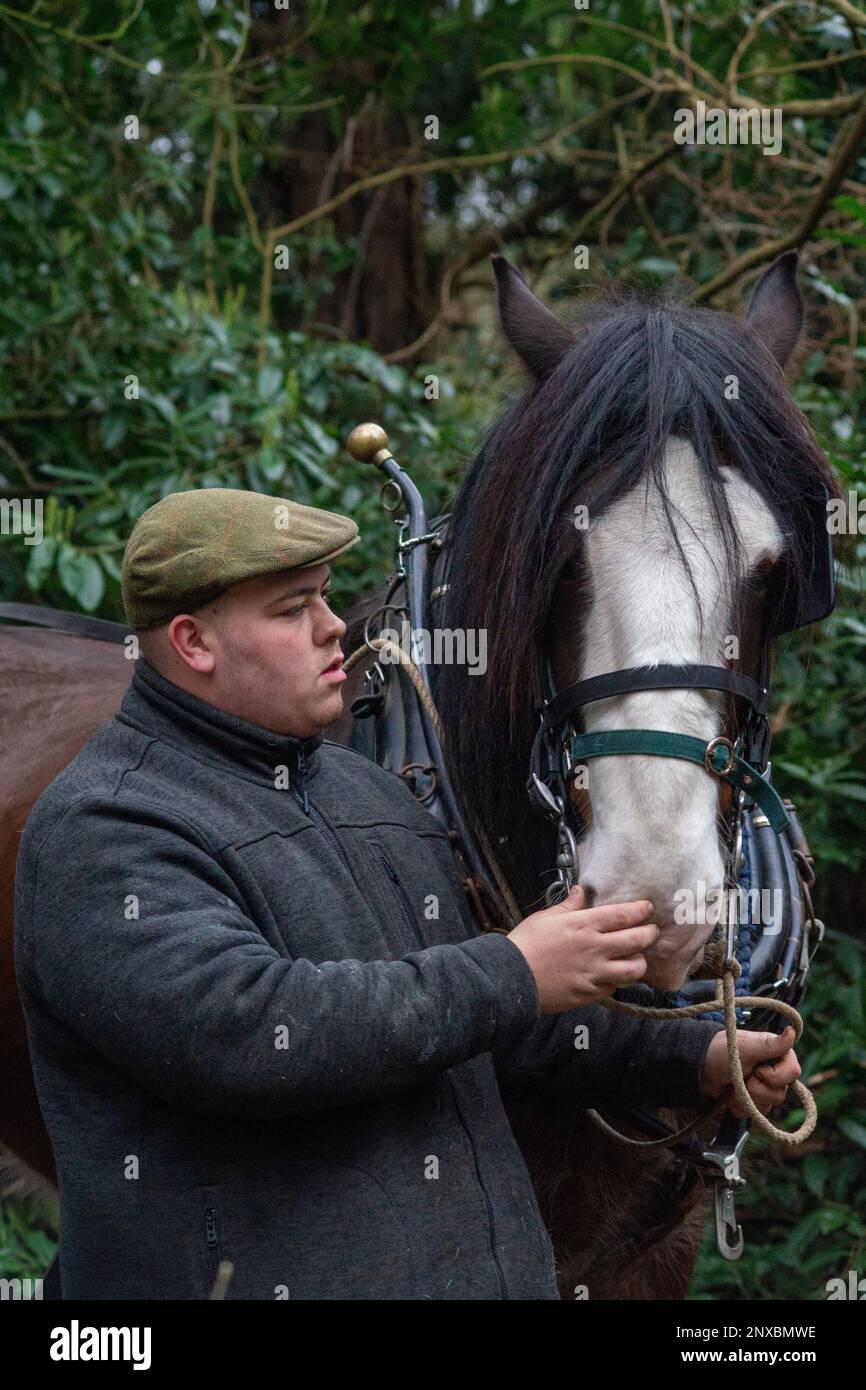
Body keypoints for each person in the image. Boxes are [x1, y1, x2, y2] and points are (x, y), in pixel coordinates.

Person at [14, 487, 800, 1301]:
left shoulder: (364, 794)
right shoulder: (107, 825)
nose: (330, 628)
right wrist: (513, 969)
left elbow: (480, 1031)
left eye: (324, 597)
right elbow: (251, 1035)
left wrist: (689, 1059)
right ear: (193, 643)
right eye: (291, 610)